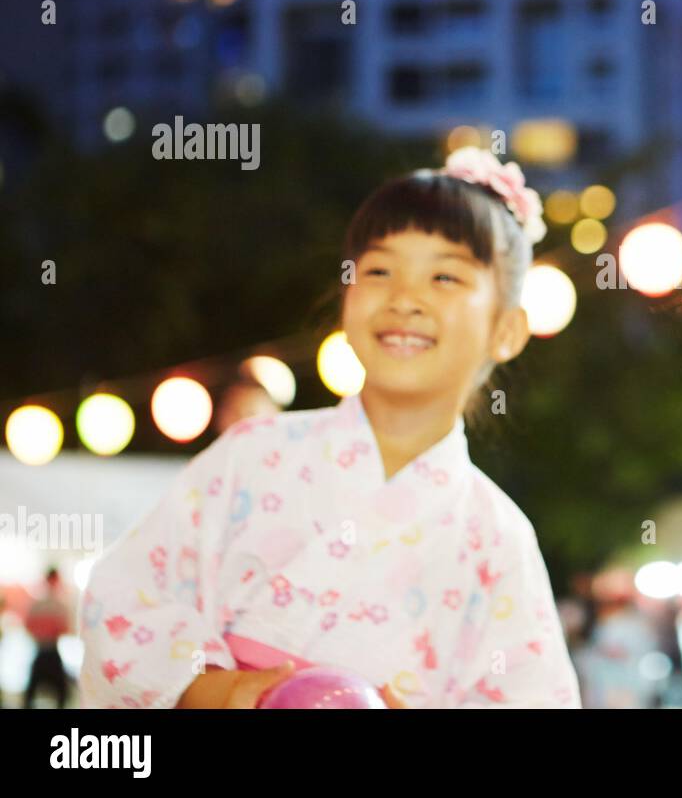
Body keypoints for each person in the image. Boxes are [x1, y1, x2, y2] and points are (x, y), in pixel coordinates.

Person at [79, 151, 580, 708]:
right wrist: (220, 691)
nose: (405, 298)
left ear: (507, 329)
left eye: (445, 276)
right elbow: (123, 599)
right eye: (379, 271)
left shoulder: (498, 537)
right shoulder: (254, 454)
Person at [24, 567, 71, 708]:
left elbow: (29, 625)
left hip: (43, 650)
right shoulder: (57, 604)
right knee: (61, 693)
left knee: (32, 693)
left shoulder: (38, 602)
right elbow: (64, 628)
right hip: (48, 650)